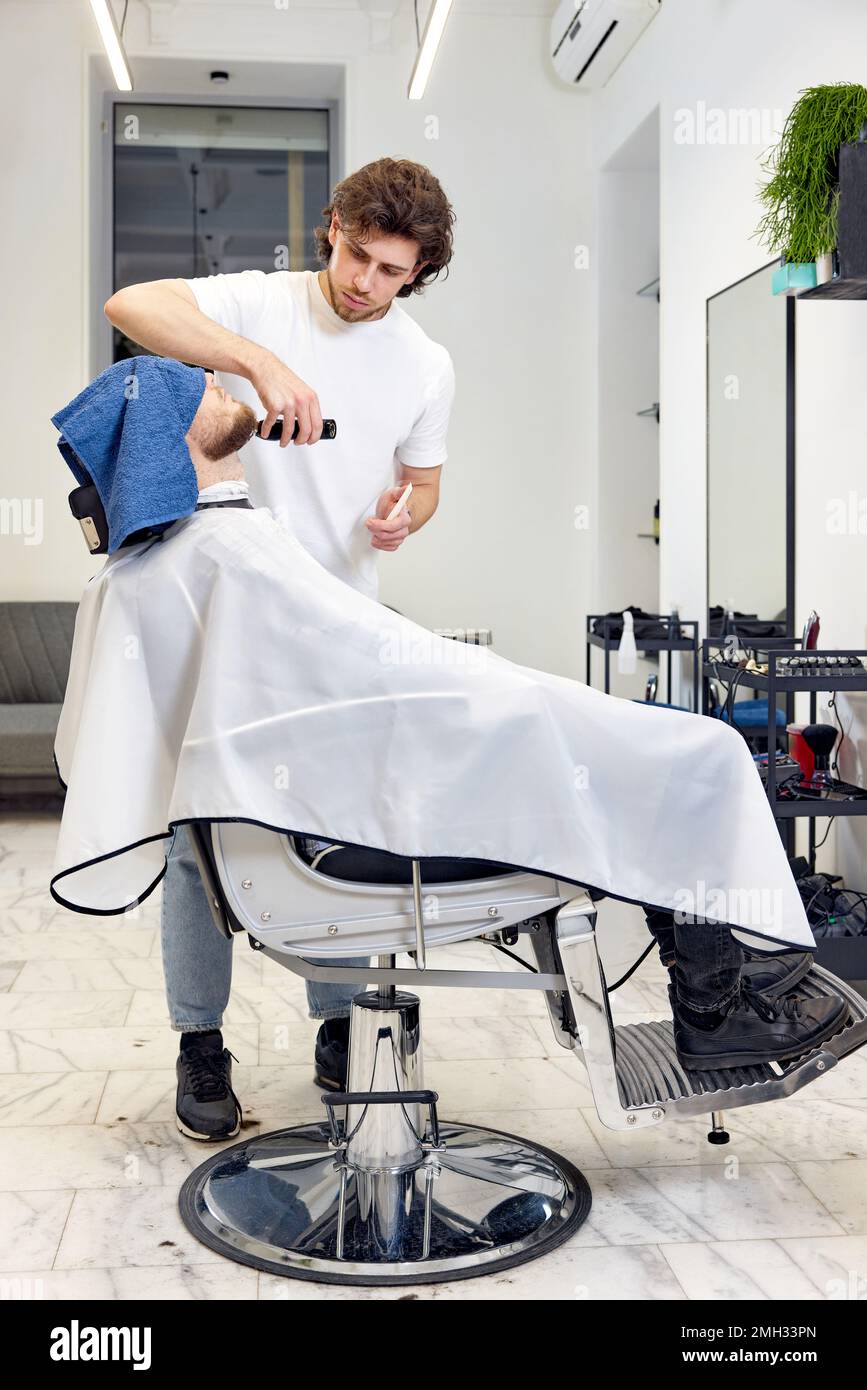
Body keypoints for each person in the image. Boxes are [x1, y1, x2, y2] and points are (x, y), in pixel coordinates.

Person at [51, 362, 846, 1144]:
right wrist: (505, 693)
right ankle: (721, 1006)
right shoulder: (220, 549)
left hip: (312, 791)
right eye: (206, 390)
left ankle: (720, 995)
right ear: (164, 428)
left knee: (639, 750)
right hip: (311, 822)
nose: (226, 389)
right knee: (692, 748)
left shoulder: (188, 556)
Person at [103, 158, 458, 1126]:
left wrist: (405, 515)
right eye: (357, 257)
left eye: (393, 271)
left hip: (338, 627)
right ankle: (199, 1044)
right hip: (219, 621)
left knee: (338, 833)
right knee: (201, 839)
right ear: (332, 228)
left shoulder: (426, 363)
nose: (366, 284)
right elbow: (131, 301)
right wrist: (259, 363)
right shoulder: (255, 303)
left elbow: (422, 482)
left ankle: (341, 1024)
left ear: (418, 272)